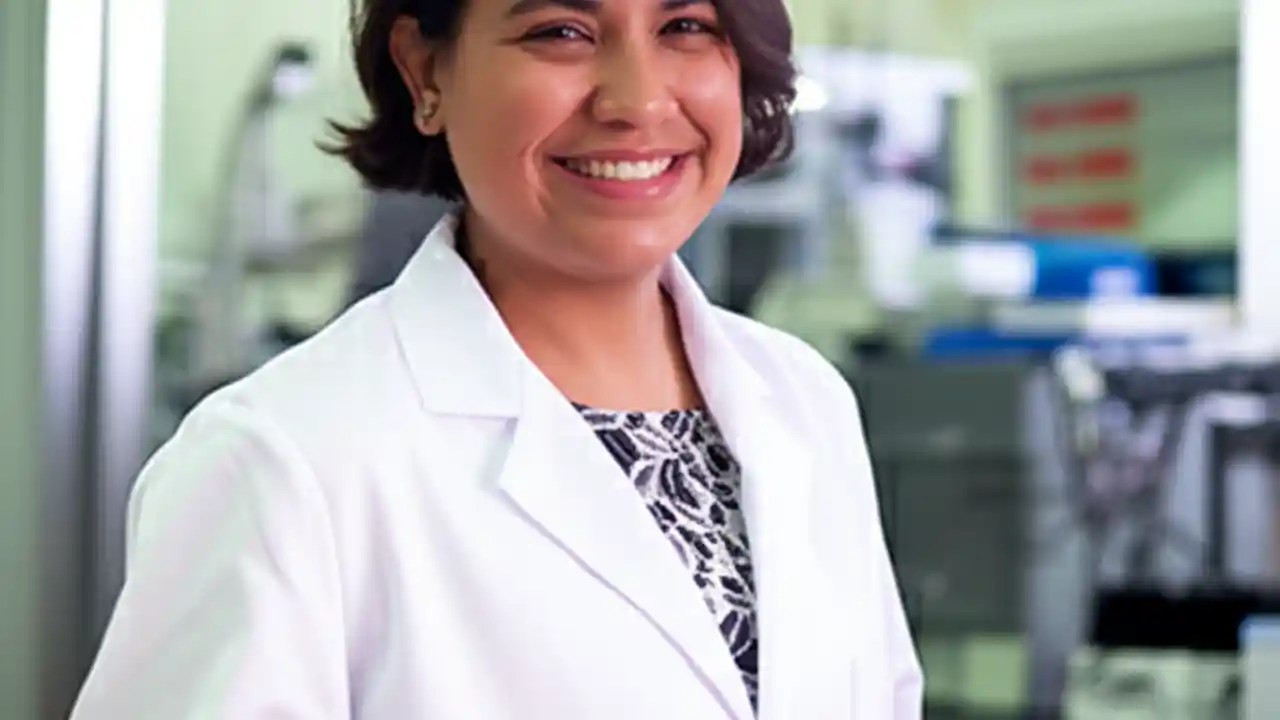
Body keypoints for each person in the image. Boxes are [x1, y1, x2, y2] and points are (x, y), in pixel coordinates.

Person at [72, 0, 922, 717]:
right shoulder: (280, 459)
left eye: (687, 26)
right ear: (425, 74)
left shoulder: (805, 402)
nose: (637, 99)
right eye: (561, 30)